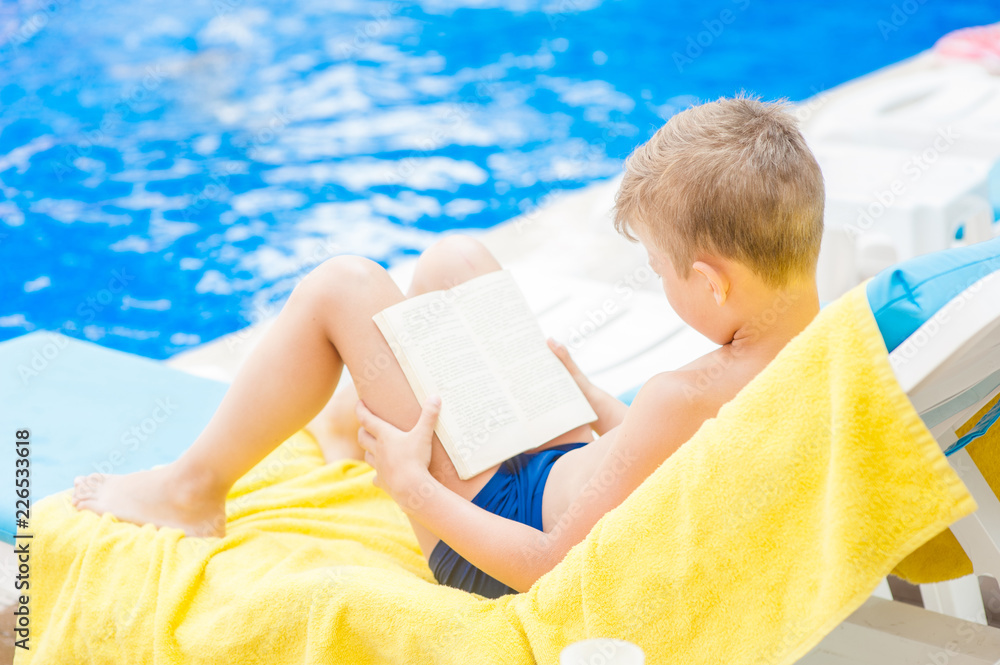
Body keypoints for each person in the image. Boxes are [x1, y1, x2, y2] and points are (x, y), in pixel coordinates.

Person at [72, 95, 824, 599]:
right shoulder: (815, 355)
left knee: (345, 285)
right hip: (554, 472)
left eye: (660, 271)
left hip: (498, 536)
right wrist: (589, 395)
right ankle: (344, 419)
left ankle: (192, 489)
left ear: (710, 282)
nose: (660, 282)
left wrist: (410, 485)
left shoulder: (680, 394)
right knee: (452, 265)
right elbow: (693, 467)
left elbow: (546, 563)